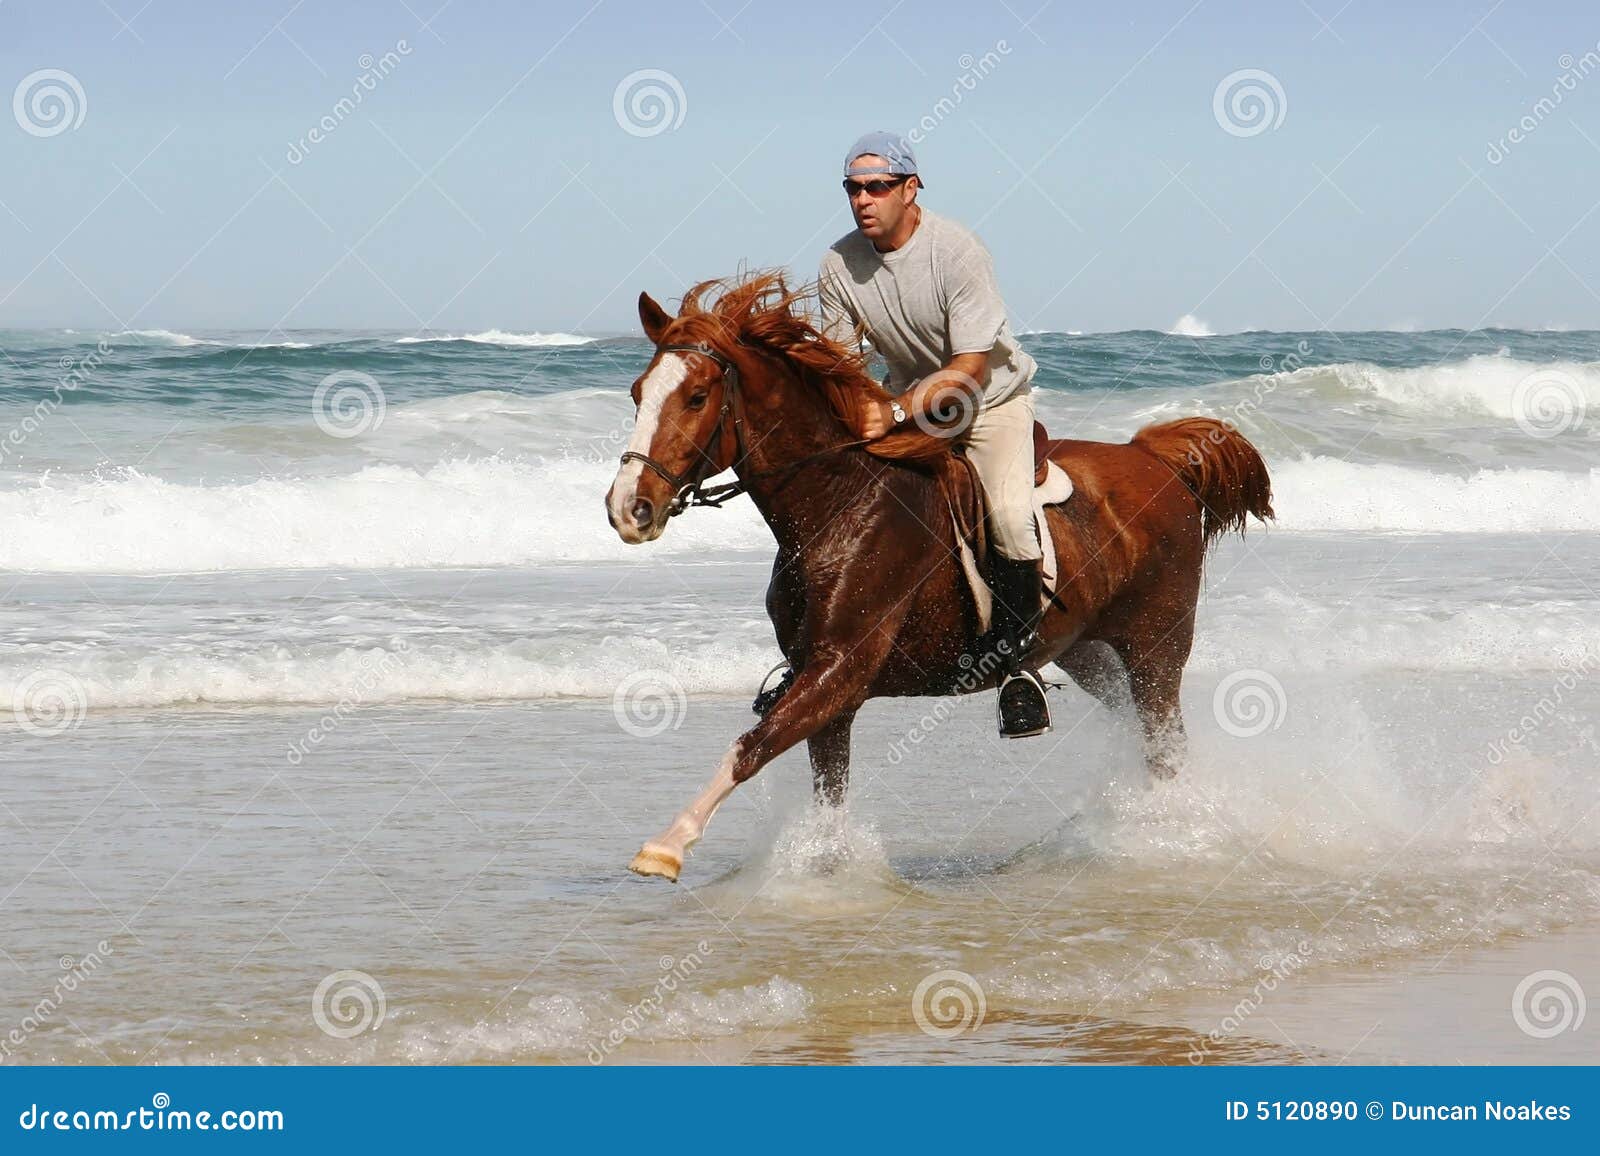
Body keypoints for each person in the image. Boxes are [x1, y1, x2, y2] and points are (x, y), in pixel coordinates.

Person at [816, 131, 1050, 738]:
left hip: (990, 403)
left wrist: (891, 414)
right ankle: (812, 650)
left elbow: (970, 368)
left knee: (1005, 515)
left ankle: (1020, 670)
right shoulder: (838, 263)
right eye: (852, 188)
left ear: (910, 187)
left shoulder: (957, 251)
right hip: (910, 408)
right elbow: (843, 365)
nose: (862, 199)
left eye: (877, 187)